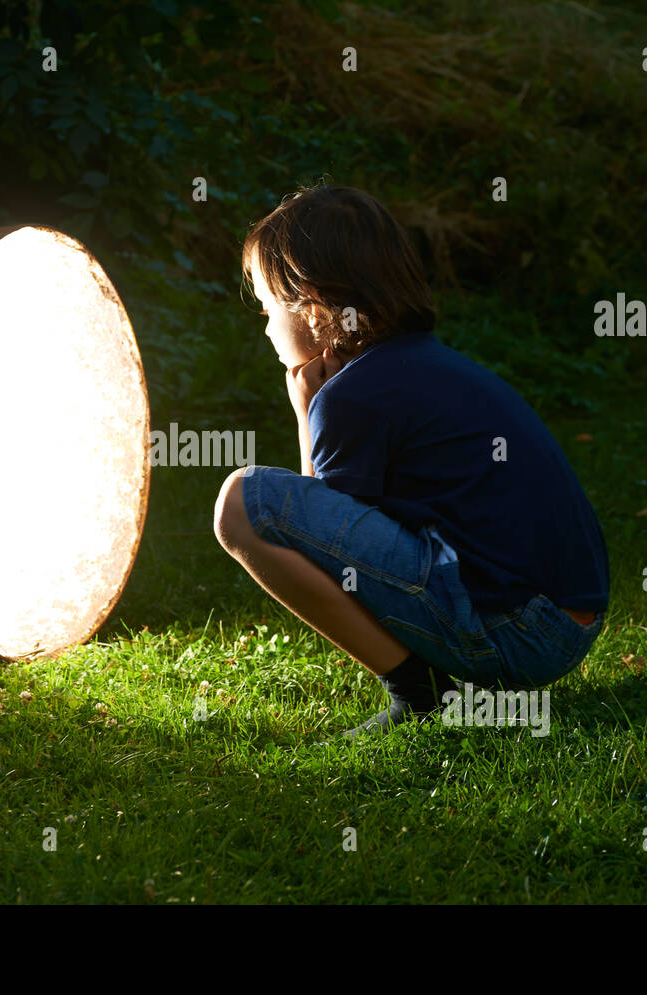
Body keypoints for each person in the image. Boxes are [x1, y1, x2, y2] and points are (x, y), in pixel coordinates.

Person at [213, 183, 609, 739]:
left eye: (267, 308)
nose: (265, 327)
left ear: (311, 301)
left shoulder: (351, 395)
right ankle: (436, 685)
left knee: (244, 503)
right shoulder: (426, 366)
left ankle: (419, 694)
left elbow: (318, 536)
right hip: (566, 624)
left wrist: (305, 412)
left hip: (518, 637)